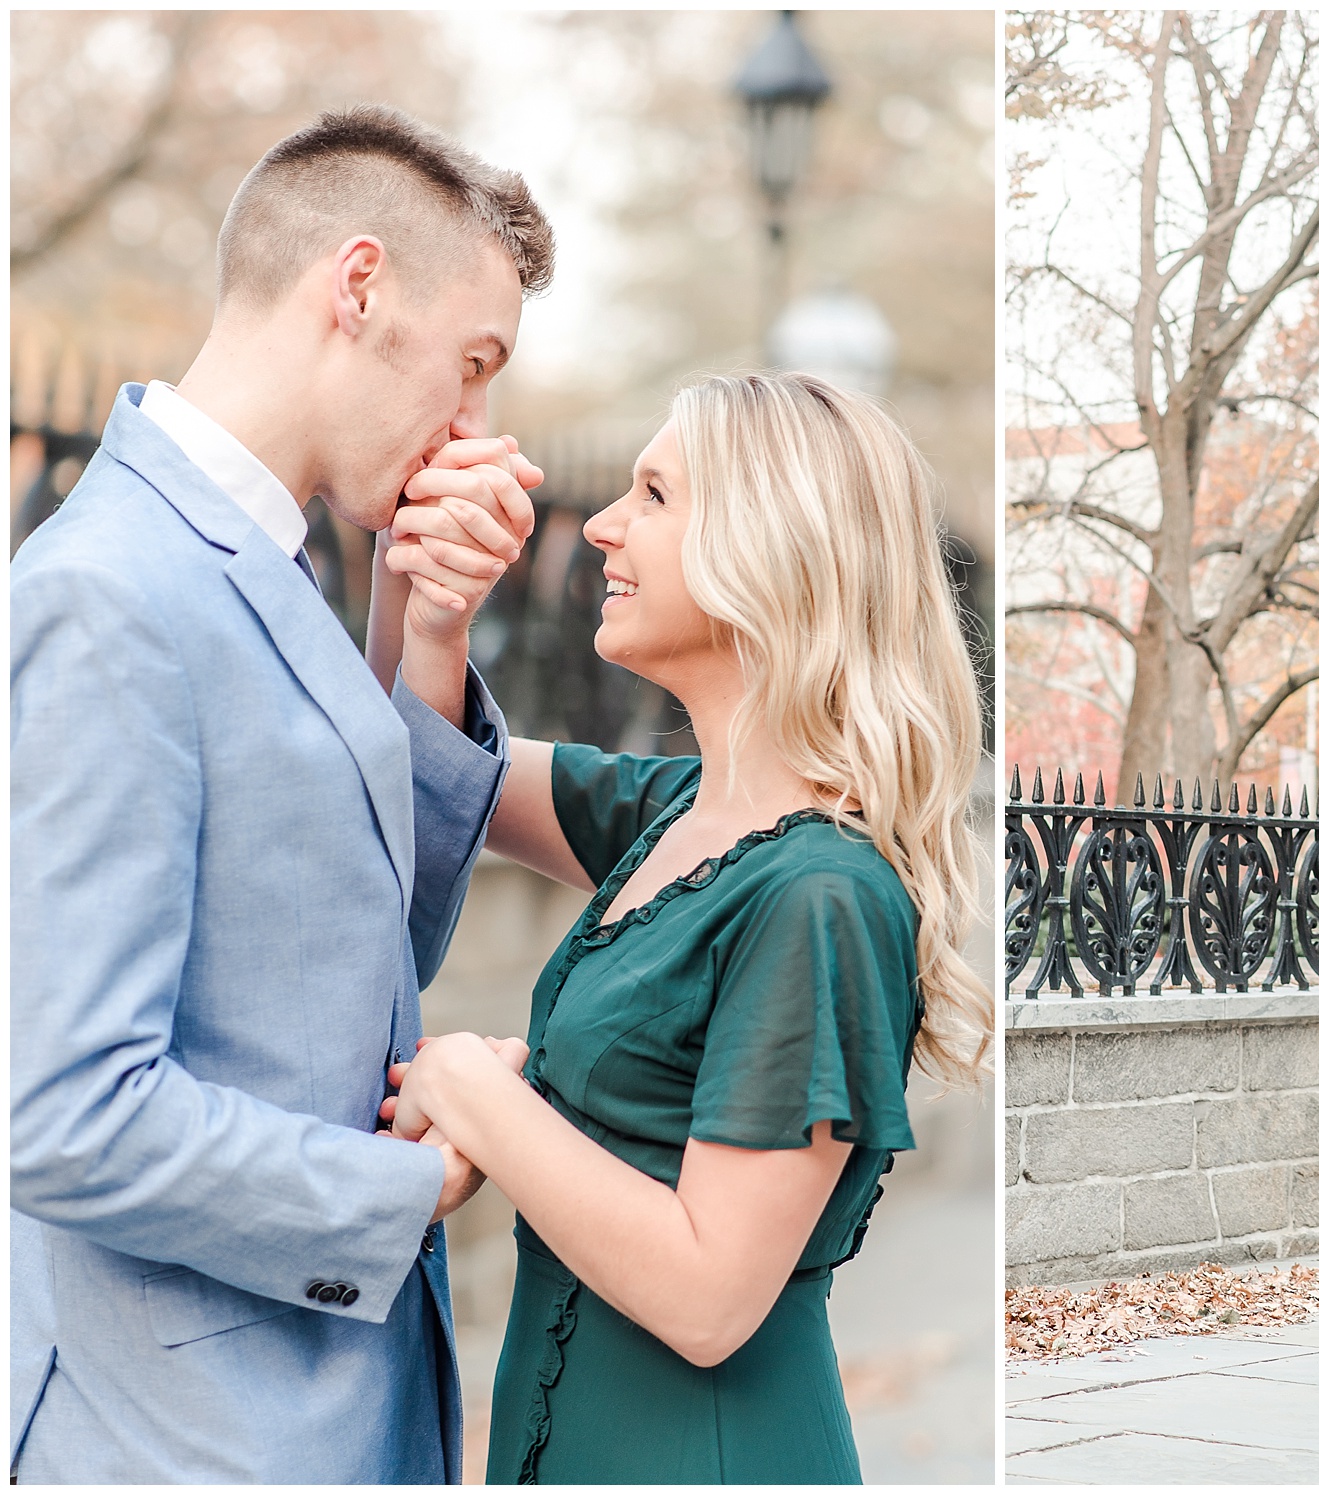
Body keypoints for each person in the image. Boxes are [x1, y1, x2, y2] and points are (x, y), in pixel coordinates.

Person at [10, 106, 552, 1482]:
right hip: (186, 1439)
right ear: (358, 288)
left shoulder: (274, 562)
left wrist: (426, 636)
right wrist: (409, 1184)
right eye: (471, 365)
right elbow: (68, 1116)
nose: (475, 425)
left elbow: (360, 953)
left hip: (318, 1410)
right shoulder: (106, 593)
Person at [368, 370, 991, 1483]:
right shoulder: (672, 815)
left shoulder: (820, 893)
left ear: (771, 549)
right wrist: (431, 610)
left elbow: (709, 1298)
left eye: (652, 494)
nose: (603, 525)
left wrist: (477, 1095)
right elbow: (420, 778)